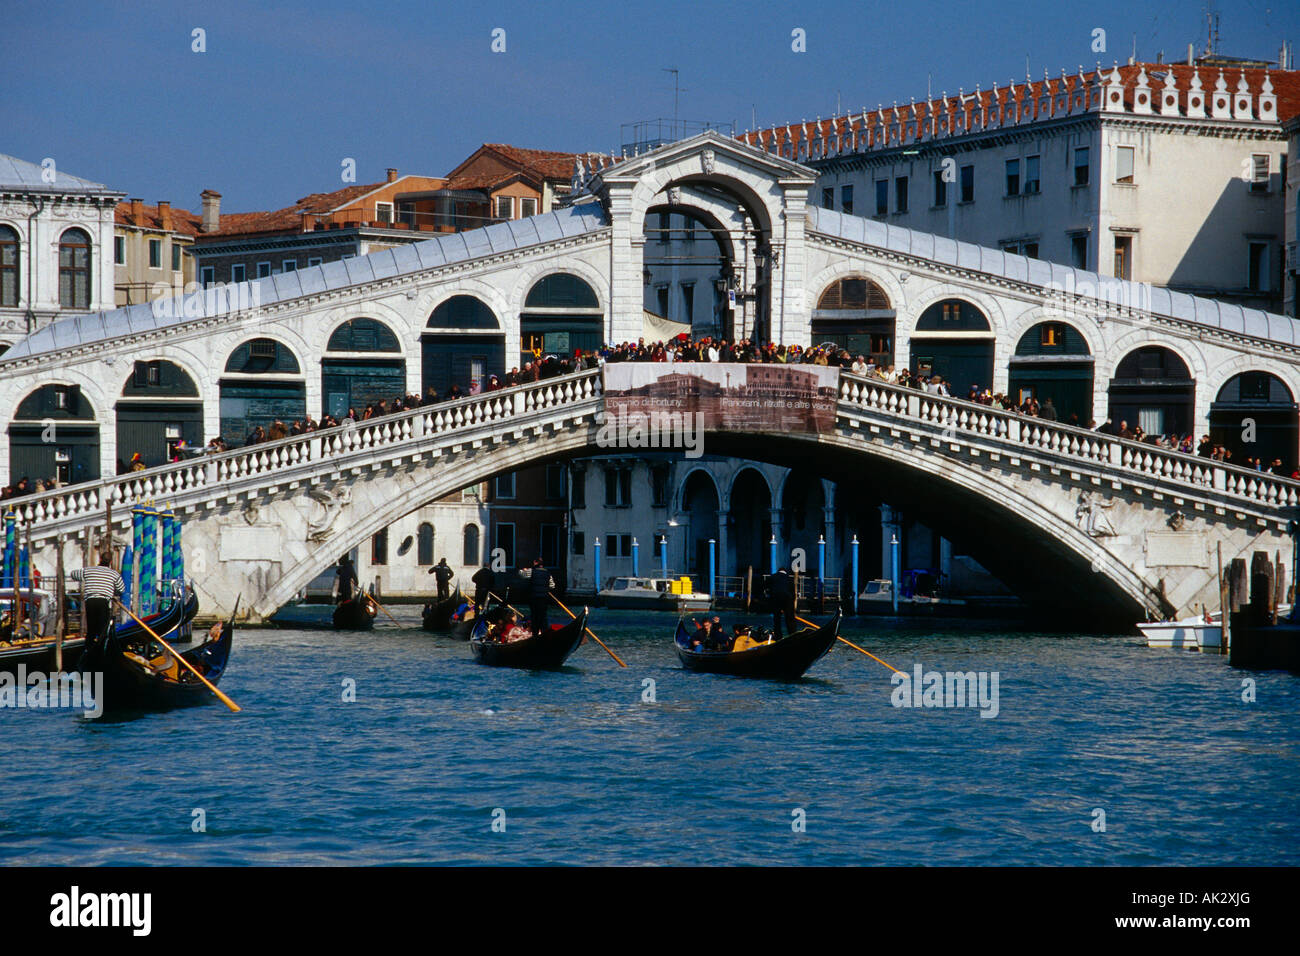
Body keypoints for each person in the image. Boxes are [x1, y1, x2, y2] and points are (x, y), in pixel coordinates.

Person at [69, 553, 125, 646]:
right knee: (102, 628)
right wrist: (111, 590)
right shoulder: (114, 574)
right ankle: (101, 646)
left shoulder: (89, 570)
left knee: (91, 627)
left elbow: (73, 574)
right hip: (103, 601)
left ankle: (89, 646)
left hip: (90, 601)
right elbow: (122, 589)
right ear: (111, 562)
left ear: (100, 559)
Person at [766, 566, 796, 639]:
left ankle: (778, 636)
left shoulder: (772, 577)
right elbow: (793, 592)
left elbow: (767, 588)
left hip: (776, 599)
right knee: (789, 619)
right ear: (785, 571)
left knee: (777, 619)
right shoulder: (789, 578)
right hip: (787, 599)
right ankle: (792, 635)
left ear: (778, 571)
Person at [525, 557, 552, 635]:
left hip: (534, 597)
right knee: (543, 616)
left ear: (535, 562)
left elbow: (521, 574)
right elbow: (552, 585)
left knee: (534, 616)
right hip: (544, 597)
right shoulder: (548, 573)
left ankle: (535, 634)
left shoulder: (531, 571)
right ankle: (544, 633)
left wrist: (523, 570)